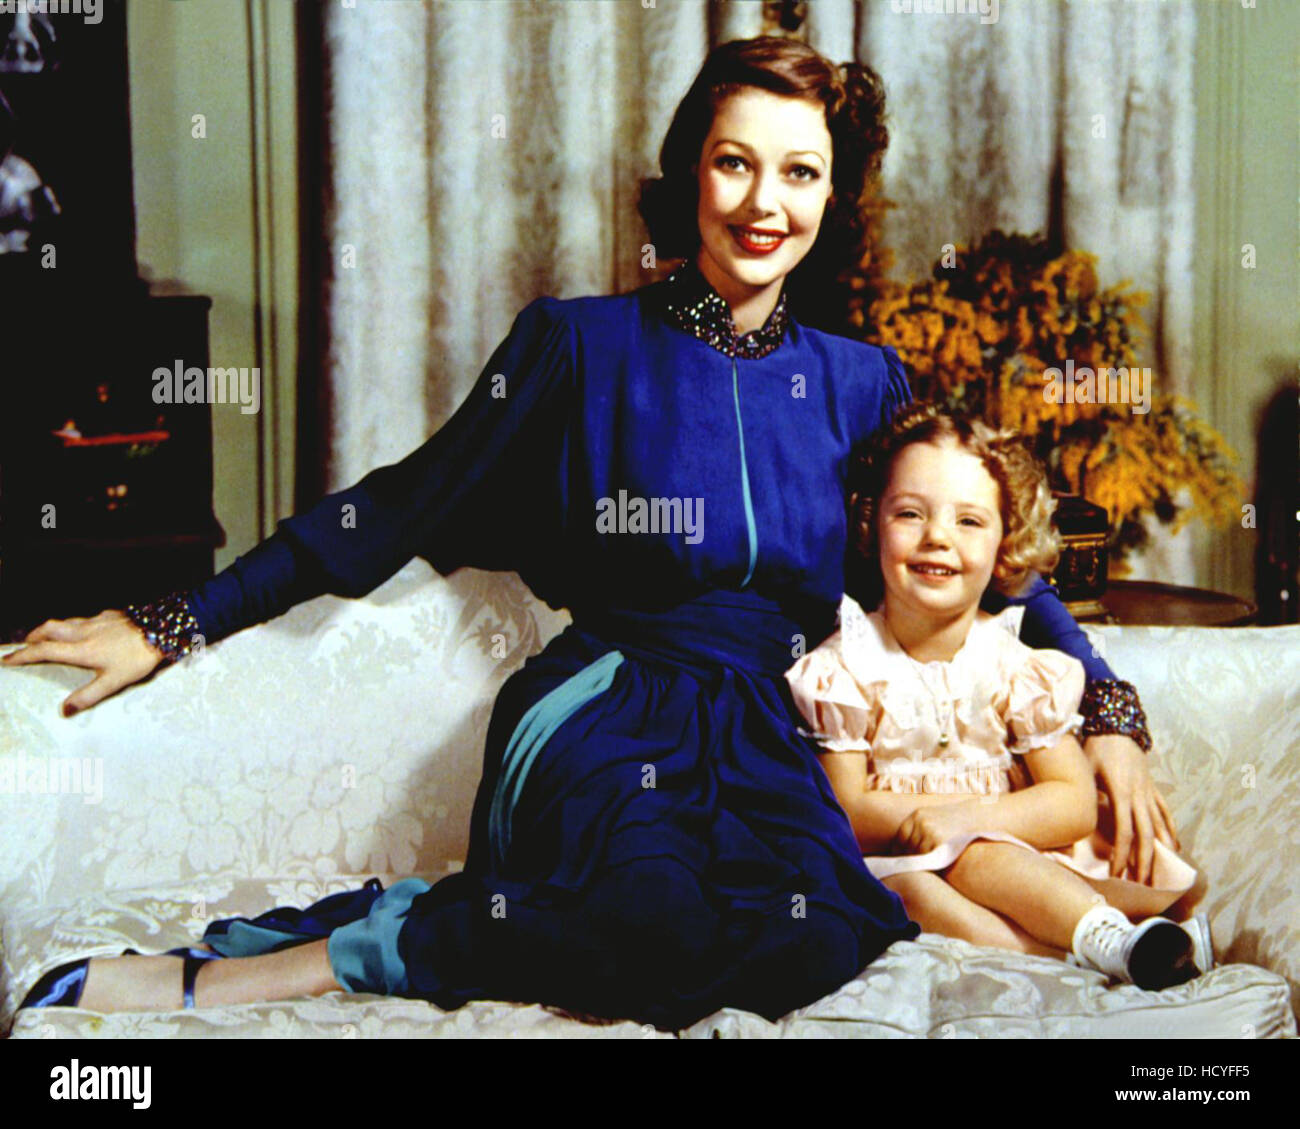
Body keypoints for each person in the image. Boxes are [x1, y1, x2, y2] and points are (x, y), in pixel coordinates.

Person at [5, 36, 1173, 1028]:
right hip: (610, 703)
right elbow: (399, 501)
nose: (764, 204)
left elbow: (990, 571)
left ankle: (409, 929)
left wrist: (1108, 713)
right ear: (686, 172)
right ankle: (286, 964)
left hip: (776, 734)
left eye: (799, 174)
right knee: (645, 923)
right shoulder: (574, 346)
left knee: (813, 940)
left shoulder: (866, 381)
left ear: (833, 198)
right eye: (734, 164)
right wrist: (168, 619)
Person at [785, 405, 1211, 988]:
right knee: (907, 893)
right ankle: (1100, 954)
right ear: (870, 524)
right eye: (910, 513)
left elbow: (1072, 803)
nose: (937, 537)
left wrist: (967, 821)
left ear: (1006, 543)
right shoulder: (846, 665)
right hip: (904, 862)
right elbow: (849, 810)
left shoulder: (1016, 665)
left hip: (1015, 852)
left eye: (969, 521)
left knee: (984, 854)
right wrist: (935, 826)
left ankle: (1104, 936)